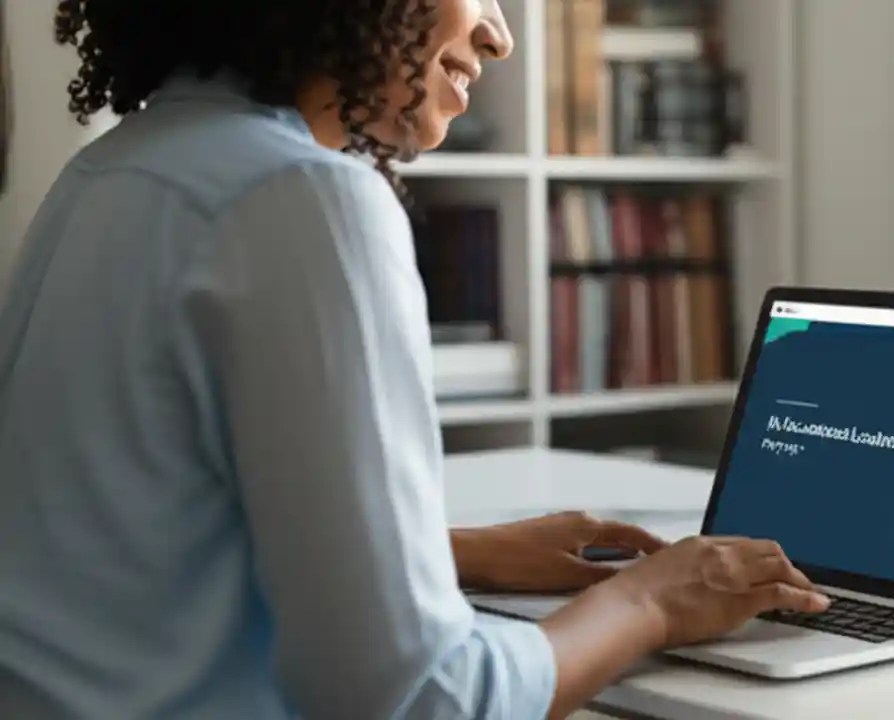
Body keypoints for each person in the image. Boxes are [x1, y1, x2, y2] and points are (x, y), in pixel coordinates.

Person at [0, 2, 829, 718]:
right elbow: (424, 700)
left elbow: (130, 542)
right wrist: (652, 599)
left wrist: (445, 550)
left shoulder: (111, 170)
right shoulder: (303, 198)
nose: (501, 32)